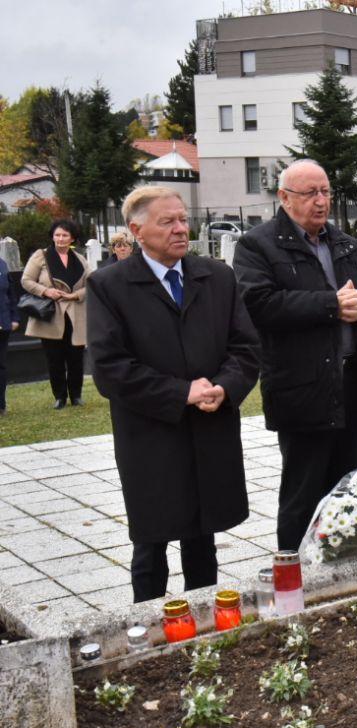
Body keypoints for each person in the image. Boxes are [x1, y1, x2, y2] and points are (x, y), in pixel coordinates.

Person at [88, 186, 259, 602]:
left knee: (203, 537)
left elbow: (246, 347)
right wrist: (180, 392)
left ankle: (205, 624)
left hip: (208, 428)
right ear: (136, 231)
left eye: (183, 219)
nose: (181, 229)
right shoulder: (109, 285)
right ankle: (146, 627)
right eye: (168, 222)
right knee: (152, 540)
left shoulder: (216, 276)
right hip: (151, 437)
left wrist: (225, 386)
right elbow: (110, 369)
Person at [235, 159, 357, 551]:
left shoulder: (344, 243)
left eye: (325, 191)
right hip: (301, 386)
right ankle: (292, 570)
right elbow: (258, 304)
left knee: (346, 483)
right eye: (311, 193)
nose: (321, 201)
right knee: (303, 488)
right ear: (285, 198)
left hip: (352, 382)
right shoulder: (258, 244)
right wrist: (331, 305)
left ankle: (341, 560)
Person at [21, 219, 89, 409]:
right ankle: (60, 397)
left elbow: (91, 284)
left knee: (76, 358)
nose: (60, 239)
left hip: (75, 315)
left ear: (72, 238)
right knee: (54, 358)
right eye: (57, 235)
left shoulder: (80, 258)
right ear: (52, 236)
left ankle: (76, 395)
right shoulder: (40, 256)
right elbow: (26, 280)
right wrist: (46, 291)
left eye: (65, 235)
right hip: (51, 315)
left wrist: (76, 295)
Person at [0, 252, 19, 415]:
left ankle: (1, 405)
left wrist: (14, 318)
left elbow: (10, 294)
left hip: (3, 323)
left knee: (1, 366)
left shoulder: (2, 264)